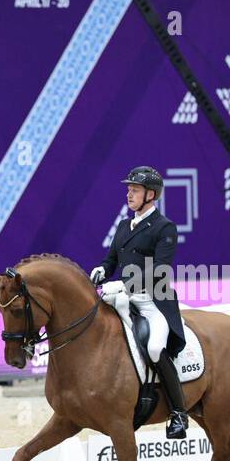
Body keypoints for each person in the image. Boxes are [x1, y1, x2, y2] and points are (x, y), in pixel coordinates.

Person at [91, 166, 189, 439]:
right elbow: (112, 258)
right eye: (128, 189)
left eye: (134, 190)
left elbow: (160, 270)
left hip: (152, 300)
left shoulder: (164, 227)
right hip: (122, 297)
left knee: (155, 349)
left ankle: (178, 413)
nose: (129, 194)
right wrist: (102, 269)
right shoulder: (125, 225)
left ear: (151, 195)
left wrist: (124, 284)